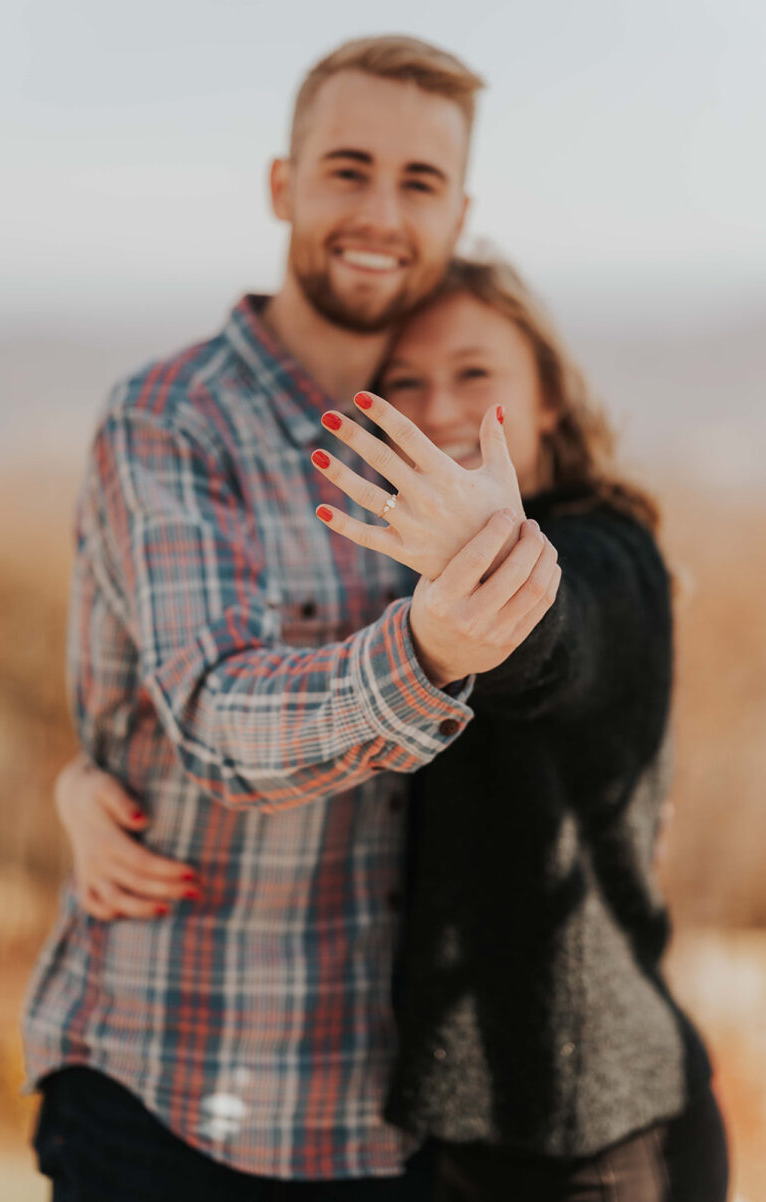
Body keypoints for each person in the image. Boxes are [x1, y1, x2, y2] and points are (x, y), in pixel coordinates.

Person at [62, 255, 730, 1202]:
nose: (440, 406)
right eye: (405, 384)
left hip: (597, 1135)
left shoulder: (607, 550)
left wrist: (494, 595)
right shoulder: (398, 589)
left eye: (475, 374)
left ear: (547, 400)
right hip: (429, 1140)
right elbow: (293, 709)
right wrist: (84, 783)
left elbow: (557, 641)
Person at [23, 38, 561, 1201]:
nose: (378, 212)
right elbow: (212, 713)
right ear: (283, 184)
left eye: (418, 183)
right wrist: (426, 655)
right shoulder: (170, 419)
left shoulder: (471, 431)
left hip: (395, 1118)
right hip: (171, 1097)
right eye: (346, 169)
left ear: (457, 212)